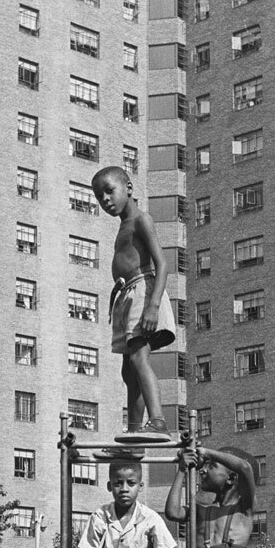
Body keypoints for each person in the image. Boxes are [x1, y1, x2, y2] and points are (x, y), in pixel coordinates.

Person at [92, 165, 177, 440]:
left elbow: (162, 264)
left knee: (140, 358)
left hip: (143, 290)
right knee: (128, 370)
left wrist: (152, 306)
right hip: (126, 295)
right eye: (99, 196)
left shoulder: (142, 219)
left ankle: (158, 420)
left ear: (128, 188)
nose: (105, 200)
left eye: (109, 191)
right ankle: (135, 429)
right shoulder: (123, 227)